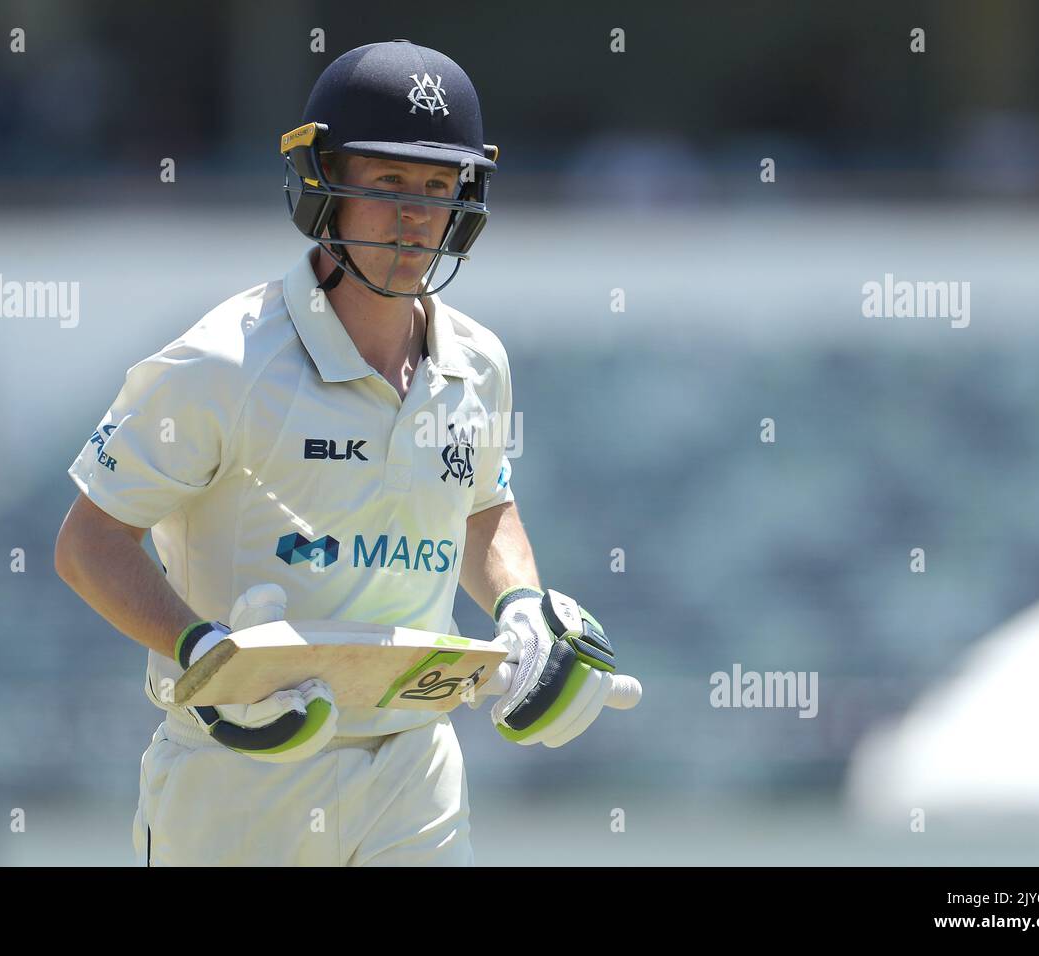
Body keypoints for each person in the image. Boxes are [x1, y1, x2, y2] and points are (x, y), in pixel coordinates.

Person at [54, 39, 621, 866]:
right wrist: (206, 658)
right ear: (322, 181)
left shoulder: (479, 362)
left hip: (416, 766)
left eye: (437, 187)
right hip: (242, 772)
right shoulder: (221, 364)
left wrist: (523, 609)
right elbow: (88, 544)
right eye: (386, 183)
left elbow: (481, 507)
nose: (414, 216)